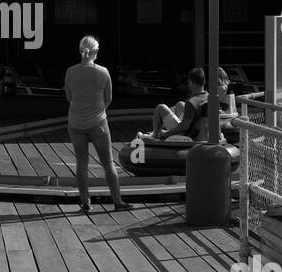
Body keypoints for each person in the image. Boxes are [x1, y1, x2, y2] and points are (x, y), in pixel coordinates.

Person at [64, 35, 132, 214]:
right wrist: (98, 110)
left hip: (76, 123)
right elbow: (108, 98)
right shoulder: (103, 72)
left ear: (81, 51)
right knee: (108, 163)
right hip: (98, 123)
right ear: (95, 52)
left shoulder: (70, 72)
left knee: (81, 163)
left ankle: (85, 202)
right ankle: (117, 201)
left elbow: (69, 97)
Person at [145, 67, 209, 141]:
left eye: (189, 82)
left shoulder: (192, 102)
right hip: (197, 130)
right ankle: (159, 133)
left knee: (161, 108)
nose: (189, 86)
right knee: (181, 104)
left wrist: (166, 134)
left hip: (188, 135)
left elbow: (184, 127)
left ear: (191, 82)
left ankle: (155, 136)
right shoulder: (208, 97)